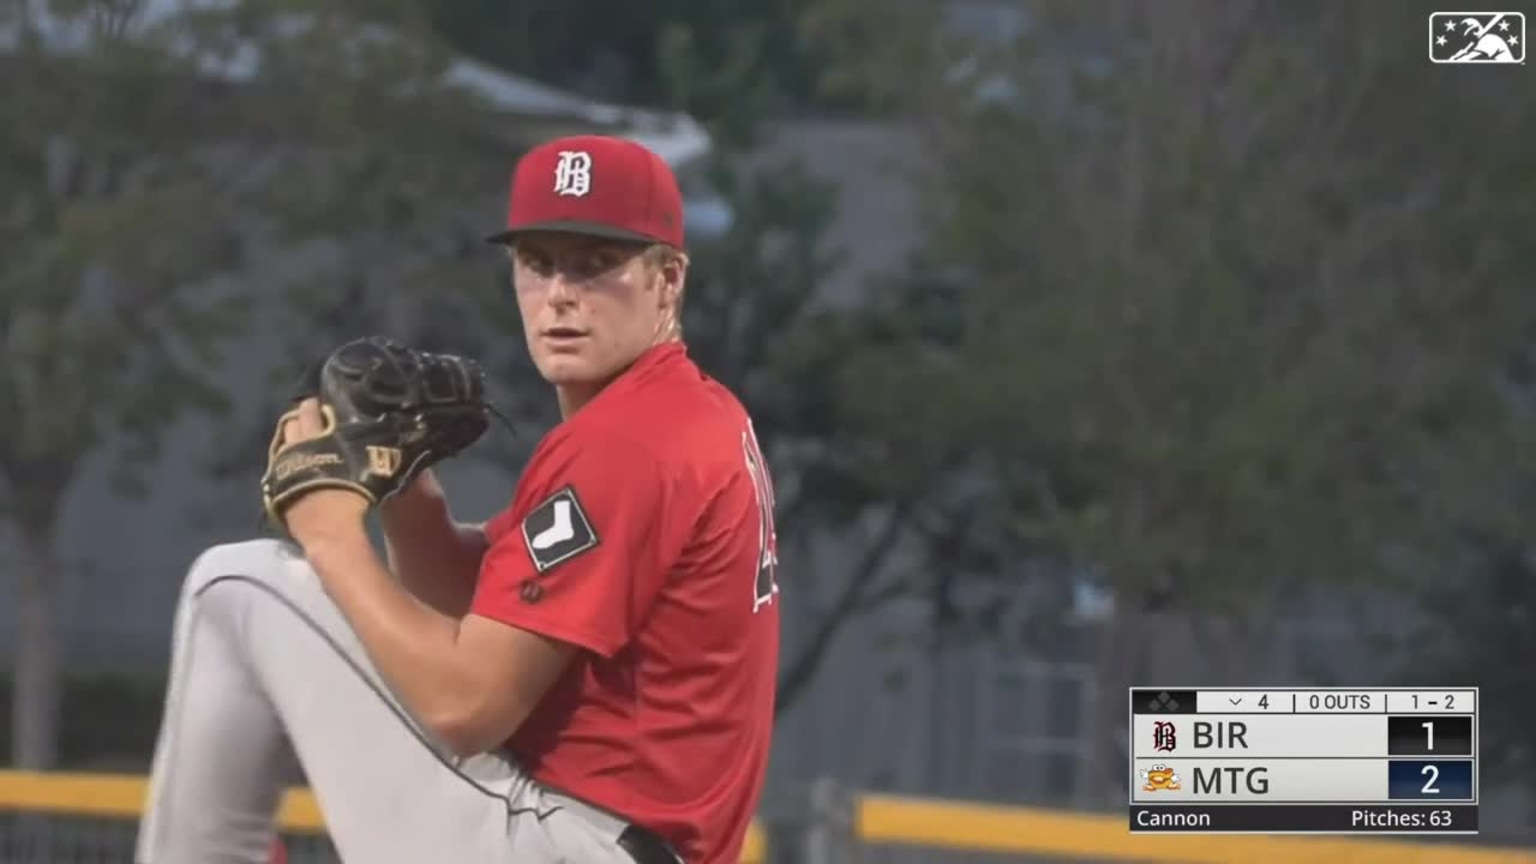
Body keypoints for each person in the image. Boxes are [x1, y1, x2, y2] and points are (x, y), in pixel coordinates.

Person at [134, 134, 781, 864]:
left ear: (667, 280)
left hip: (562, 841)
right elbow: (478, 606)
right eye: (538, 263)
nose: (560, 293)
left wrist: (331, 533)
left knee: (233, 585)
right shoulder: (689, 414)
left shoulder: (625, 444)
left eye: (595, 265)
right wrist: (406, 489)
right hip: (598, 840)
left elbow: (466, 706)